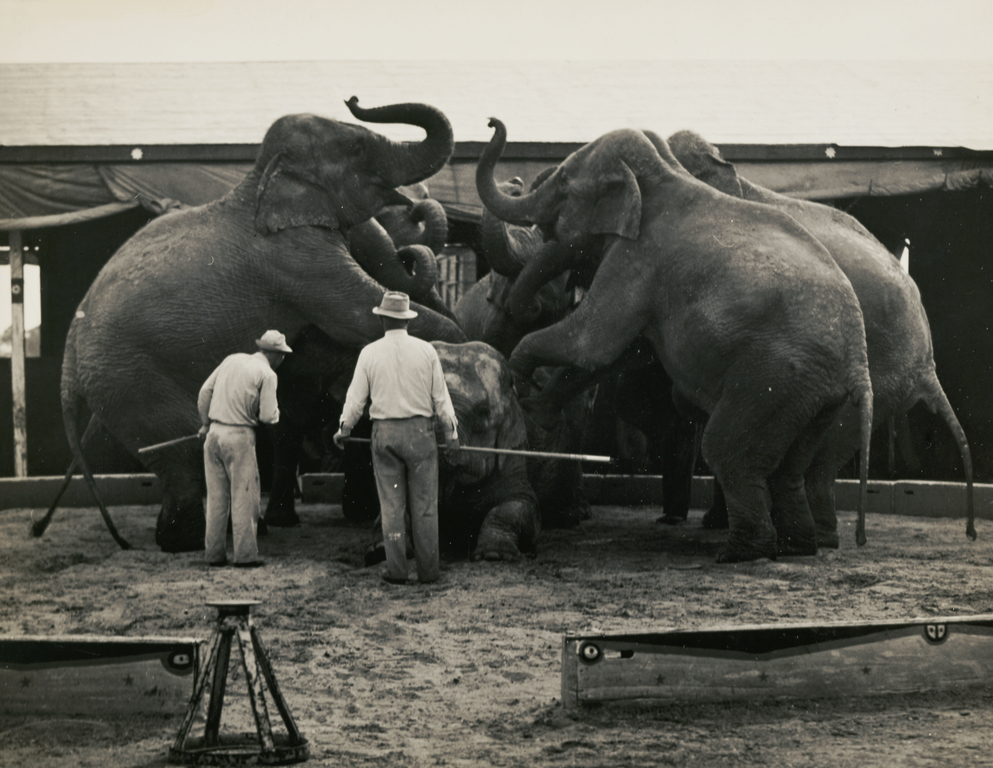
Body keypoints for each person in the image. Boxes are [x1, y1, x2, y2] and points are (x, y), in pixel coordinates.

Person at [334, 292, 459, 585]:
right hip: (420, 435)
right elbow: (442, 398)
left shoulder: (369, 352)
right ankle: (428, 572)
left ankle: (397, 570)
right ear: (407, 320)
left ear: (382, 319)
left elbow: (355, 400)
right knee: (425, 506)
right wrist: (451, 432)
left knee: (391, 506)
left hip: (385, 435)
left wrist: (345, 428)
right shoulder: (427, 351)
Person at [198, 330, 292, 567]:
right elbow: (269, 416)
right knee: (244, 498)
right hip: (239, 437)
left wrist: (205, 424)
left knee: (216, 500)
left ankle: (213, 555)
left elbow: (204, 392)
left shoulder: (232, 359)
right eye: (281, 356)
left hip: (214, 434)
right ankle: (245, 556)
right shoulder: (267, 374)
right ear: (276, 355)